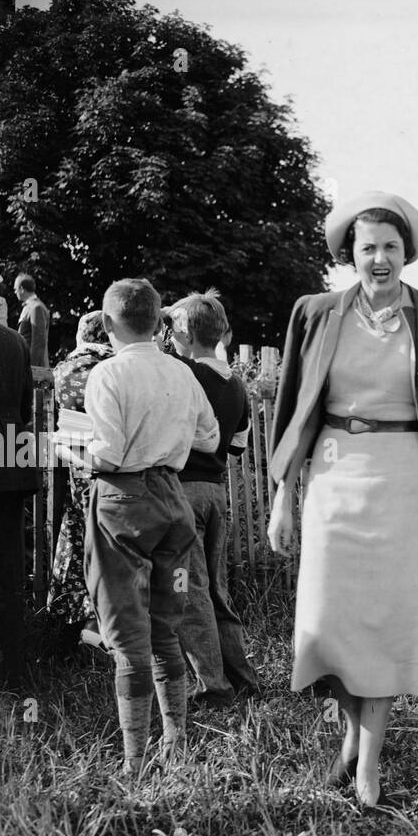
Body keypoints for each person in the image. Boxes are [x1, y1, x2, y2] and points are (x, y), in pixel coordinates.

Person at [267, 191, 418, 808]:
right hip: (332, 475)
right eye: (367, 249)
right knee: (335, 617)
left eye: (390, 247)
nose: (379, 259)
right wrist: (283, 495)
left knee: (385, 617)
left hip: (403, 477)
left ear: (406, 253)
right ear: (348, 255)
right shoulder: (316, 312)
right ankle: (349, 737)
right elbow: (292, 409)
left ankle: (369, 764)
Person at [53, 278, 219, 775]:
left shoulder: (108, 373)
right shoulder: (185, 373)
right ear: (157, 322)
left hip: (123, 503)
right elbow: (210, 439)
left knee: (126, 636)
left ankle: (134, 761)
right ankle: (177, 739)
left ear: (107, 324)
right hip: (173, 502)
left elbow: (109, 454)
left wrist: (66, 447)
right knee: (166, 625)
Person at [168, 289, 260, 706]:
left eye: (172, 329)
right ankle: (242, 677)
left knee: (190, 590)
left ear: (185, 332)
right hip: (216, 490)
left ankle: (213, 686)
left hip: (183, 488)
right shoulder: (235, 384)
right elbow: (238, 445)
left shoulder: (183, 374)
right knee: (216, 588)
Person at [46, 311, 114, 642]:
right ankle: (107, 630)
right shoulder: (113, 369)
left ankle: (84, 625)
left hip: (76, 470)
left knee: (82, 541)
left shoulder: (62, 370)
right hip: (114, 472)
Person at [0, 321, 40, 689]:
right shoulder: (12, 340)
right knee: (9, 572)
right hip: (10, 451)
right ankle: (10, 671)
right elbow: (25, 405)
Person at [13, 272, 50, 367]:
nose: (15, 292)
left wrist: (32, 368)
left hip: (34, 368)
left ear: (21, 289)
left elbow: (38, 343)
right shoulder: (31, 306)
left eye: (15, 289)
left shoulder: (36, 307)